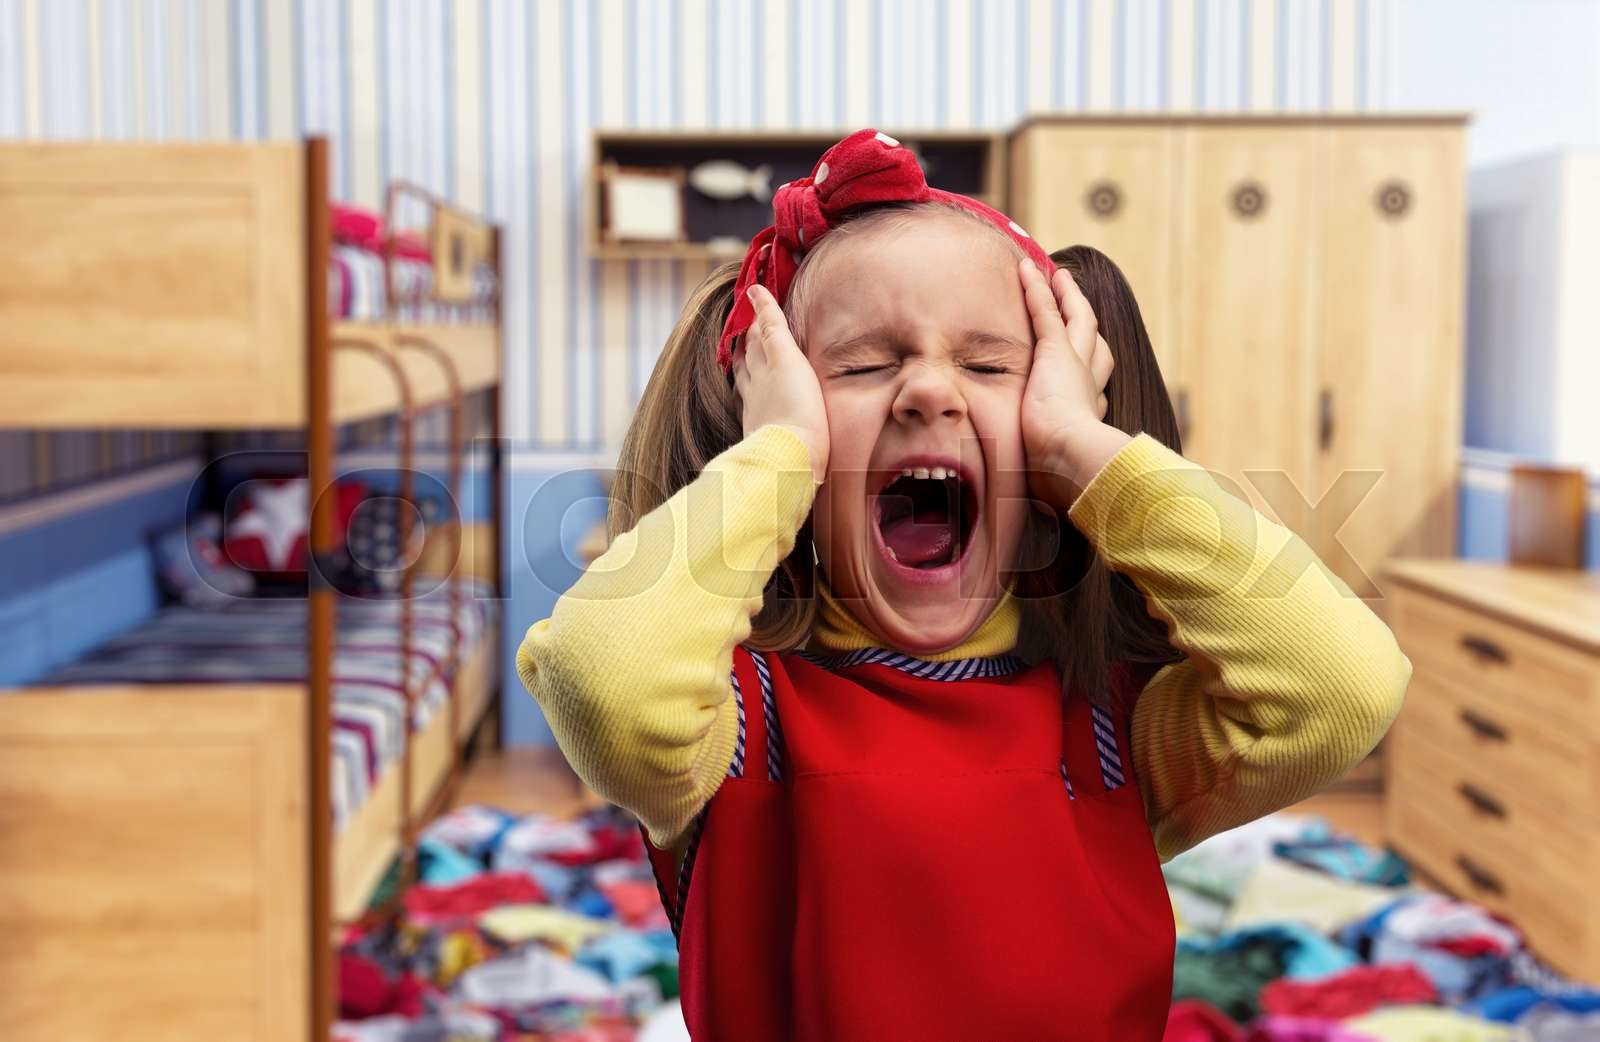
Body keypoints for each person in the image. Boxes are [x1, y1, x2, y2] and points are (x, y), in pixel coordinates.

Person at [517, 129, 1410, 1040]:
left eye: (987, 367)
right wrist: (776, 455)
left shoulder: (1112, 730)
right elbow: (605, 682)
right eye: (862, 365)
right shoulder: (737, 726)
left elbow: (1342, 688)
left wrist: (1082, 449)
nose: (929, 392)